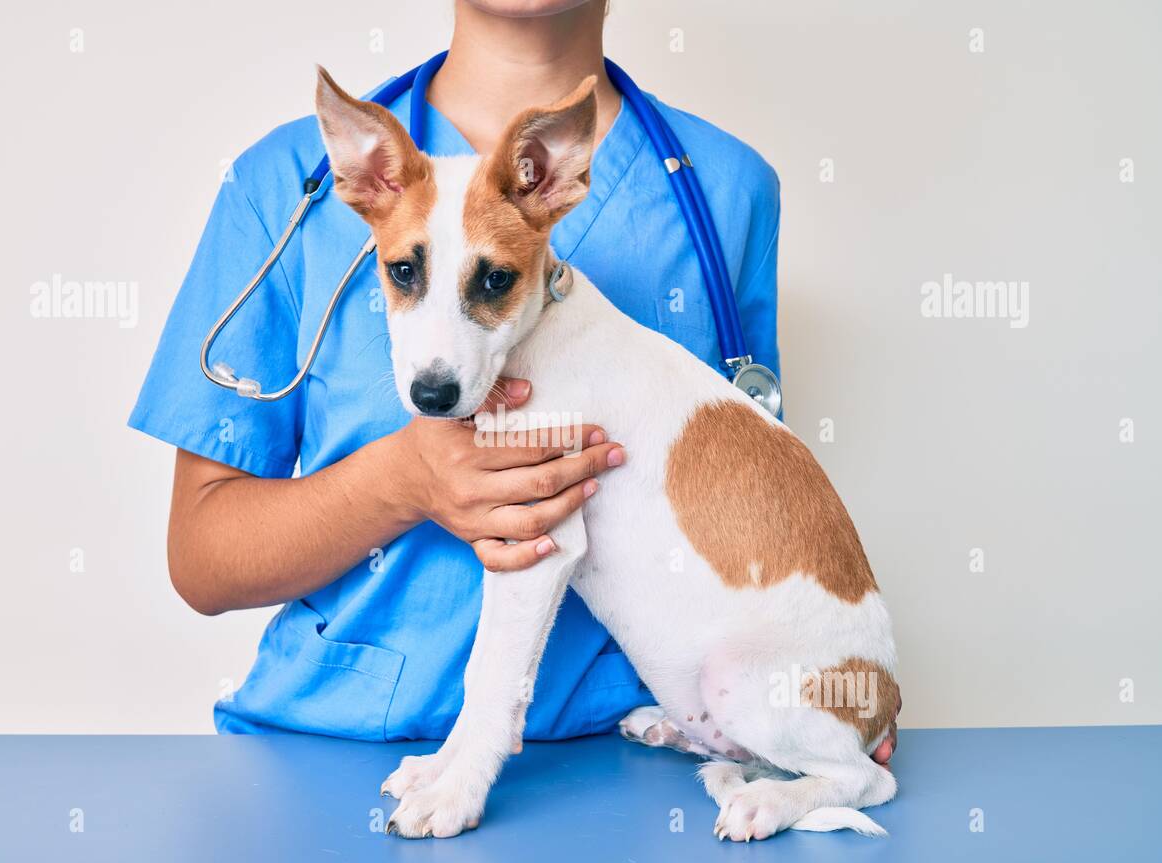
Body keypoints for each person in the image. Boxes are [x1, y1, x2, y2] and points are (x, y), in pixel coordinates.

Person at [130, 0, 843, 752]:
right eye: (404, 273)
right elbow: (203, 565)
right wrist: (404, 482)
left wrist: (816, 692)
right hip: (332, 746)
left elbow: (754, 514)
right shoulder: (285, 183)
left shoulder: (728, 192)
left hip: (641, 754)